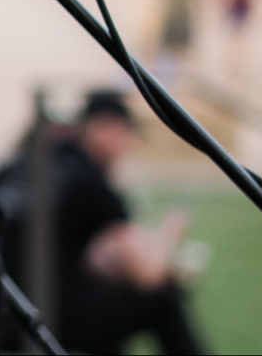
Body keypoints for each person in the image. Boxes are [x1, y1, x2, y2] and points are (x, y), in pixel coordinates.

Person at [55, 92, 202, 355]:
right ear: (103, 129)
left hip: (6, 303)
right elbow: (147, 273)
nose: (129, 144)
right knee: (163, 298)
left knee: (111, 295)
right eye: (126, 133)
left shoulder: (46, 161)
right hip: (46, 315)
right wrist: (171, 230)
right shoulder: (90, 181)